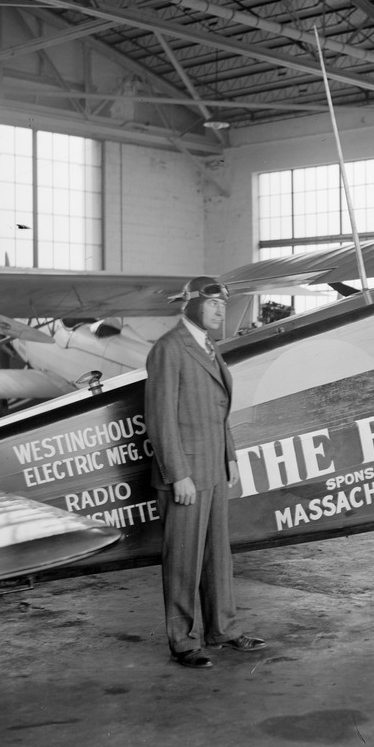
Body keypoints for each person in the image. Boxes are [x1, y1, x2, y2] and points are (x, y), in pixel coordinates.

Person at [144, 275, 267, 669]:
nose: (220, 310)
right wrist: (177, 473)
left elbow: (218, 408)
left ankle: (223, 630)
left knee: (218, 556)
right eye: (213, 303)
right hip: (186, 474)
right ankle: (182, 641)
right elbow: (159, 416)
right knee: (183, 560)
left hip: (213, 466)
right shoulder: (169, 348)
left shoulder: (208, 347)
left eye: (223, 304)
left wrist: (229, 455)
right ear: (191, 304)